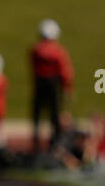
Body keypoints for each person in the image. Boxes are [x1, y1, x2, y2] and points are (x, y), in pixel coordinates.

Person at [30, 19, 73, 152]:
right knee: (54, 114)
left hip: (39, 84)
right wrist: (67, 87)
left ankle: (36, 142)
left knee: (37, 113)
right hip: (54, 85)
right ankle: (54, 143)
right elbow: (65, 70)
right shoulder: (58, 51)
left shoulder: (36, 50)